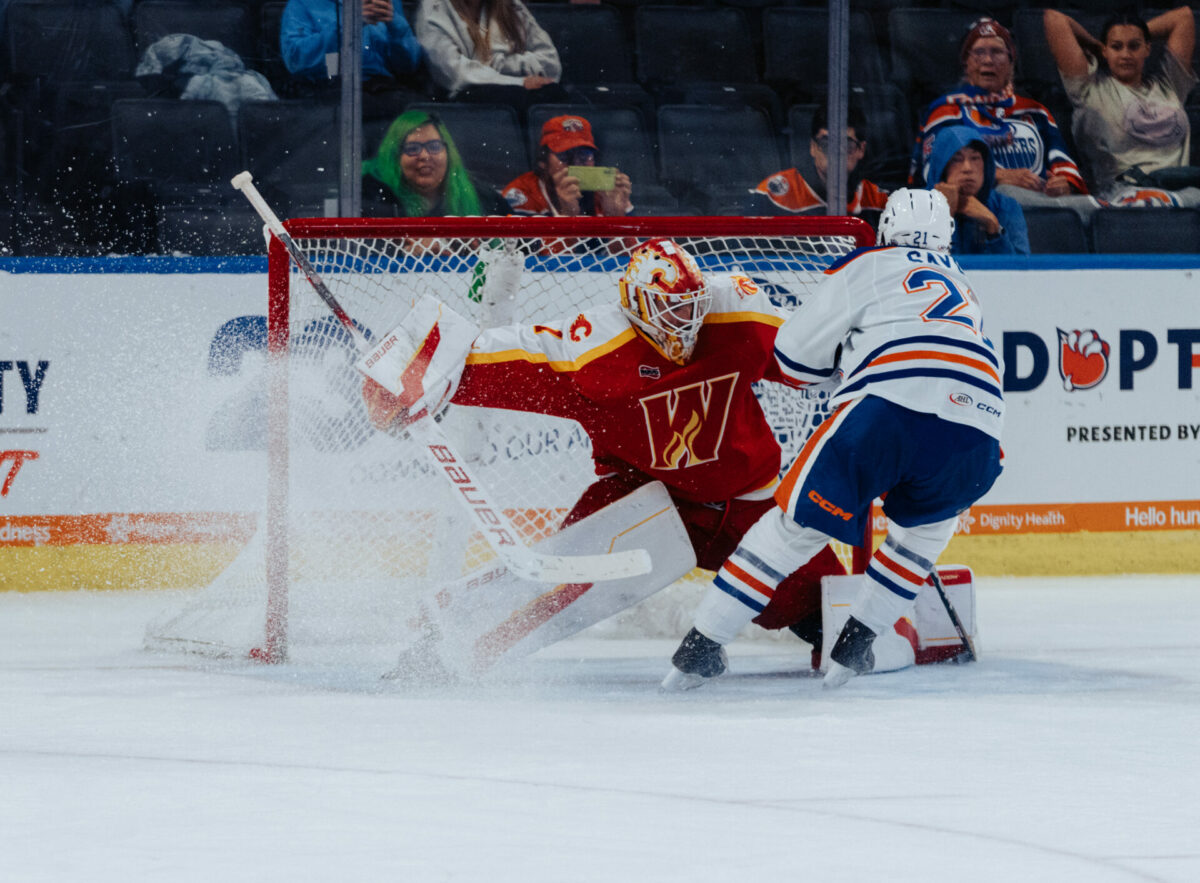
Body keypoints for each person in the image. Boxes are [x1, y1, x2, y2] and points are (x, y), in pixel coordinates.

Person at [362, 239, 848, 670]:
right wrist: (411, 366)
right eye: (669, 310)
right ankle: (439, 651)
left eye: (691, 309)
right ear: (634, 303)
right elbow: (497, 356)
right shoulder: (594, 347)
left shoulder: (737, 313)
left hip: (749, 499)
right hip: (643, 497)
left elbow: (817, 356)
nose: (684, 323)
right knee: (557, 583)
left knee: (824, 605)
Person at [663, 189, 1004, 691]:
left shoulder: (868, 263)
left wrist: (836, 368)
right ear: (948, 236)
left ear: (884, 229)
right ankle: (857, 645)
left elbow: (794, 356)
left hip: (886, 408)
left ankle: (701, 648)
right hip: (981, 425)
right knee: (921, 537)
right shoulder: (965, 284)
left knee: (793, 531)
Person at [912, 17, 1095, 220]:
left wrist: (1064, 183)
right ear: (966, 62)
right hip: (982, 210)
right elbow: (933, 175)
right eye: (979, 52)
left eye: (997, 52)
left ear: (1011, 62)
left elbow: (1062, 162)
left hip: (1046, 203)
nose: (988, 60)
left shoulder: (1035, 111)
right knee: (1008, 194)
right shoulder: (946, 111)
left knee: (1094, 208)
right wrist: (996, 176)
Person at [1043, 7, 1200, 207]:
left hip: (1181, 190)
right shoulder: (1089, 90)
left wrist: (1135, 32)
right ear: (1105, 51)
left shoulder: (1171, 85)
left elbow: (1184, 17)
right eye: (1116, 47)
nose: (1126, 54)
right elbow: (1054, 19)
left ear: (1147, 49)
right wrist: (1097, 44)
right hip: (1122, 193)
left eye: (1134, 46)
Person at [414, 0, 569, 111]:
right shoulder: (433, 7)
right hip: (462, 102)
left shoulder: (511, 5)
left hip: (516, 93)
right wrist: (519, 81)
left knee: (554, 94)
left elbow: (551, 63)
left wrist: (500, 63)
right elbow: (455, 75)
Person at [750, 104, 889, 225]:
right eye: (826, 144)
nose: (835, 153)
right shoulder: (774, 195)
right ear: (813, 147)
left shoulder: (877, 200)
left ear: (861, 149)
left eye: (847, 145)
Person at [361, 109, 510, 217]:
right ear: (394, 156)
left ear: (448, 152)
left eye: (434, 147)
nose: (425, 156)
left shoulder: (483, 198)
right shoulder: (372, 196)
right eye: (412, 148)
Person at [926, 124, 1030, 255]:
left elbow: (1021, 266)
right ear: (942, 166)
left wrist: (993, 227)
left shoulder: (1006, 206)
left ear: (986, 165)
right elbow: (922, 264)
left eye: (975, 158)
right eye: (957, 159)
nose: (968, 168)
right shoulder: (917, 208)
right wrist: (945, 217)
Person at [502, 115, 634, 217]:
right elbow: (527, 245)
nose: (576, 164)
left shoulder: (607, 190)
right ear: (543, 162)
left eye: (584, 155)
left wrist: (616, 216)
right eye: (565, 156)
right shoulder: (522, 193)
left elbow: (639, 246)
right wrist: (567, 215)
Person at [280, 0, 425, 88]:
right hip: (329, 90)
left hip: (385, 89)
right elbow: (295, 59)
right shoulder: (302, 3)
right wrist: (349, 24)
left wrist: (395, 24)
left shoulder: (387, 2)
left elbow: (410, 65)